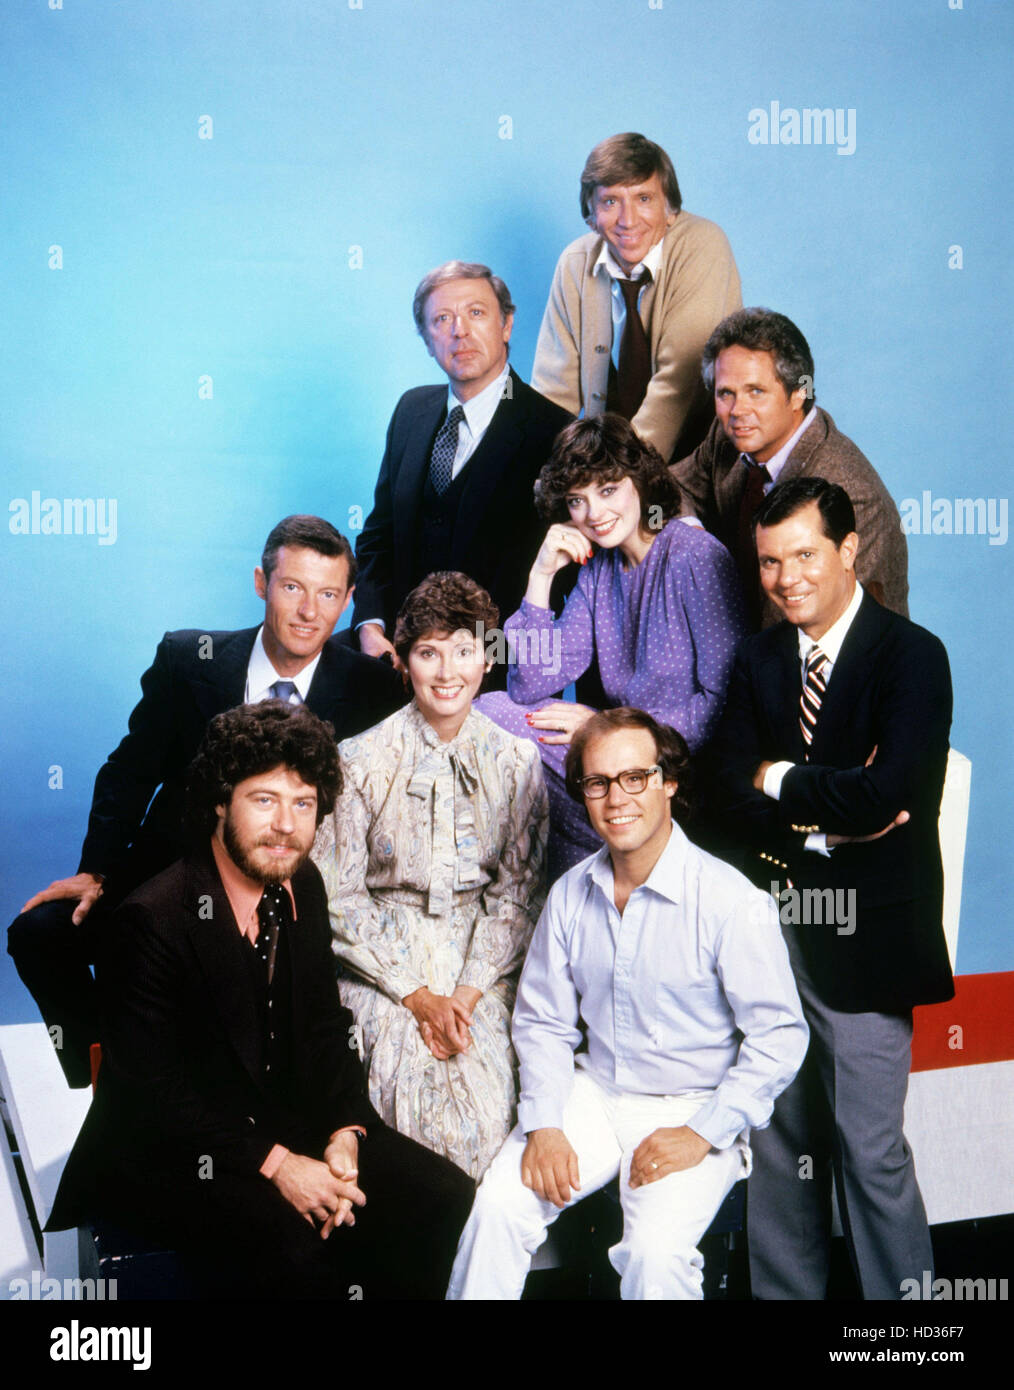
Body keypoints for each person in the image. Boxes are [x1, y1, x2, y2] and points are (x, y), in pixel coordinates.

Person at [47, 702, 474, 1299]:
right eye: (264, 799)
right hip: (177, 1153)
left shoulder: (304, 882)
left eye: (303, 803)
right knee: (296, 1254)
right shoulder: (153, 917)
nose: (286, 825)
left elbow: (326, 1025)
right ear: (220, 802)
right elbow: (157, 1093)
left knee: (443, 1196)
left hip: (279, 1124)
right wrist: (281, 1166)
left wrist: (345, 1130)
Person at [7, 515, 404, 1086]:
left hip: (281, 884)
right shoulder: (188, 659)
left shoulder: (374, 687)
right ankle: (103, 1072)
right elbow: (129, 770)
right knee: (39, 933)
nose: (309, 611)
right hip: (171, 869)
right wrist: (96, 869)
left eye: (328, 594)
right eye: (292, 587)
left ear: (347, 600)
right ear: (261, 584)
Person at [447, 708, 807, 1300]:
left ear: (668, 783)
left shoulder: (728, 899)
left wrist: (701, 1132)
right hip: (594, 1094)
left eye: (635, 777)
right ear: (584, 796)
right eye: (598, 783)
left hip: (690, 1106)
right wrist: (543, 1123)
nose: (617, 799)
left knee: (654, 1256)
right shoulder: (570, 894)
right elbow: (542, 1022)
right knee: (498, 1207)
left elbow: (781, 1038)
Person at [708, 476, 953, 1300]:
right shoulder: (758, 657)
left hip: (870, 939)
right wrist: (816, 800)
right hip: (771, 926)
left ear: (849, 551)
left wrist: (773, 780)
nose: (786, 579)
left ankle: (907, 1335)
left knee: (868, 1147)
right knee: (778, 1139)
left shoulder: (911, 656)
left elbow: (891, 799)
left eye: (805, 555)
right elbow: (717, 791)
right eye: (771, 562)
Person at [313, 573, 548, 1180]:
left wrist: (465, 995)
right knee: (415, 1101)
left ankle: (487, 1267)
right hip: (383, 966)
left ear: (487, 658)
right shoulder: (358, 759)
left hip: (483, 963)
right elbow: (338, 897)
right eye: (428, 653)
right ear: (404, 660)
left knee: (489, 1106)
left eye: (464, 651)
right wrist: (418, 998)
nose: (447, 672)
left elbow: (518, 897)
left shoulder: (518, 760)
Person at [478, 414, 746, 877]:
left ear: (639, 481)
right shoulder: (600, 569)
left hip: (675, 772)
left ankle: (627, 864)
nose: (594, 514)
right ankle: (612, 874)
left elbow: (721, 706)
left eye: (608, 490)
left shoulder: (696, 556)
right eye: (577, 500)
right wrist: (540, 576)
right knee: (489, 711)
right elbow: (530, 685)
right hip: (615, 769)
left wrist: (605, 728)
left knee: (500, 728)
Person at [351, 261, 572, 674]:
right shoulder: (410, 411)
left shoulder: (556, 432)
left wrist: (486, 656)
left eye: (476, 313)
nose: (460, 331)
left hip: (499, 672)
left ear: (506, 325)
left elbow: (559, 580)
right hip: (397, 661)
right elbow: (379, 536)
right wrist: (371, 625)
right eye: (442, 319)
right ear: (427, 339)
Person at [672, 307, 908, 625]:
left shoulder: (848, 494)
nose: (738, 410)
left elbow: (820, 631)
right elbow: (668, 485)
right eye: (725, 393)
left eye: (756, 392)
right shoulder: (728, 436)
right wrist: (692, 538)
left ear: (798, 394)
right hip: (742, 643)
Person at [531, 132, 741, 462]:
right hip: (606, 466)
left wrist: (619, 475)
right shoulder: (574, 263)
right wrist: (551, 475)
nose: (628, 221)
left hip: (693, 461)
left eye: (644, 199)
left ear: (670, 209)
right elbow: (552, 394)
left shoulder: (703, 246)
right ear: (591, 213)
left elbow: (679, 385)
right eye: (611, 201)